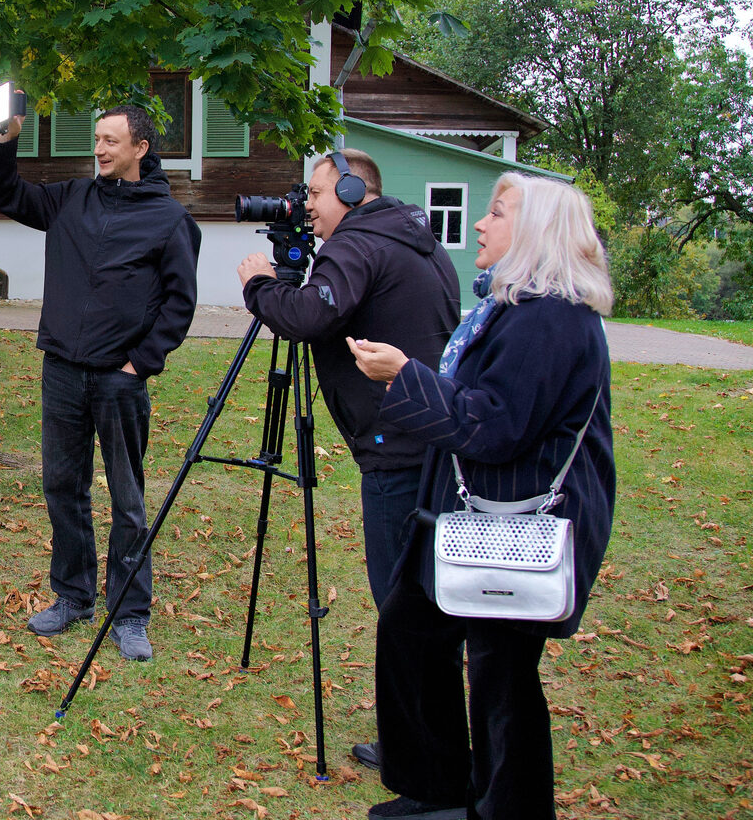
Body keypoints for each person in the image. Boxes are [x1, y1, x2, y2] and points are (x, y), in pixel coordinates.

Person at [347, 172, 615, 820]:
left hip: (522, 523)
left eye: (496, 213)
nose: (479, 225)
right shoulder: (514, 306)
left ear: (536, 232)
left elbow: (493, 426)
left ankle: (505, 808)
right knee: (412, 627)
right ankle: (437, 787)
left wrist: (404, 376)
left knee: (501, 677)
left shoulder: (551, 319)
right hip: (475, 515)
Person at [235, 148, 460, 770]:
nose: (305, 204)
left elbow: (309, 317)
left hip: (396, 446)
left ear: (356, 191)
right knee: (427, 597)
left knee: (401, 599)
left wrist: (261, 283)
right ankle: (432, 734)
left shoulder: (359, 243)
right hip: (433, 436)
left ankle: (415, 750)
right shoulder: (416, 239)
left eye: (316, 192)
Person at [0, 104, 200, 661]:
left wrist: (140, 364)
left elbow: (180, 304)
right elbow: (6, 195)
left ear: (140, 149)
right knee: (63, 486)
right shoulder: (70, 199)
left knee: (127, 498)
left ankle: (129, 613)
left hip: (119, 380)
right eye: (97, 139)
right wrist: (4, 142)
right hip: (62, 369)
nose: (100, 149)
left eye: (111, 141)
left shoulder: (170, 220)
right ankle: (73, 596)